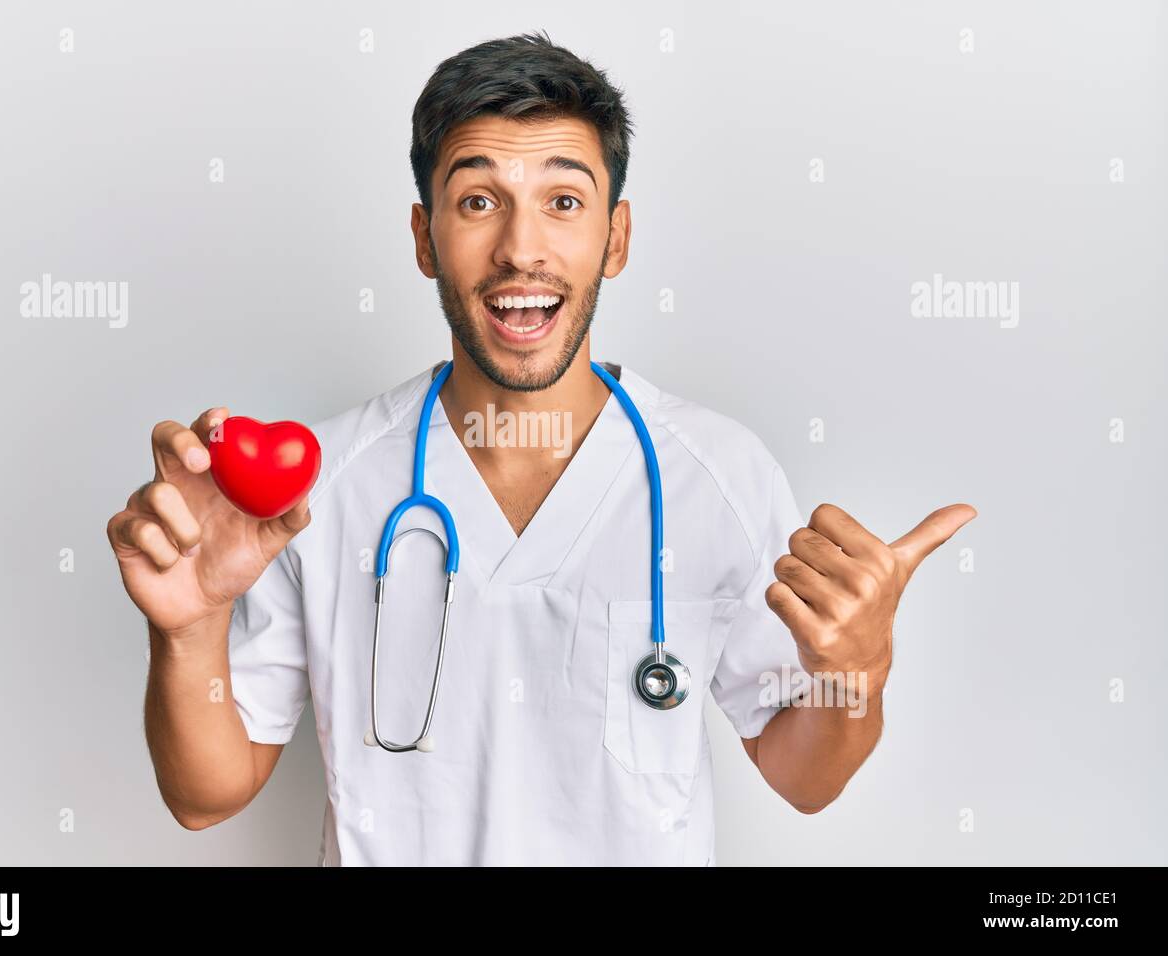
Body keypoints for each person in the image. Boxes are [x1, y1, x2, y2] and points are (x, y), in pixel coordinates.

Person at [106, 31, 975, 865]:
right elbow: (204, 795)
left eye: (564, 202)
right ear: (423, 237)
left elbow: (804, 776)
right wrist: (190, 628)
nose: (521, 249)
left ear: (617, 237)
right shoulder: (322, 490)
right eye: (478, 201)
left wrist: (856, 674)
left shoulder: (718, 473)